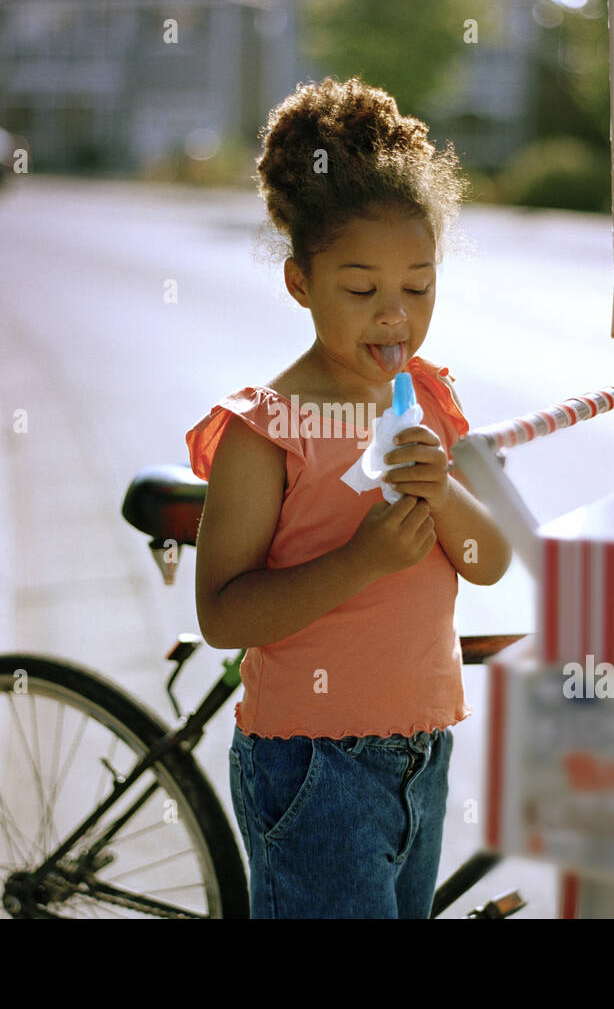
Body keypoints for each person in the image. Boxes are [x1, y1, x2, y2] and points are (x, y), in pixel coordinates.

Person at [185, 77, 511, 918]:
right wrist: (360, 560)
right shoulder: (268, 430)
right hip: (312, 765)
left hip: (422, 751)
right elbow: (224, 613)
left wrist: (442, 494)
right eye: (362, 290)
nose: (394, 317)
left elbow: (489, 560)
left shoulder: (429, 402)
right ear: (301, 281)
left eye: (420, 287)